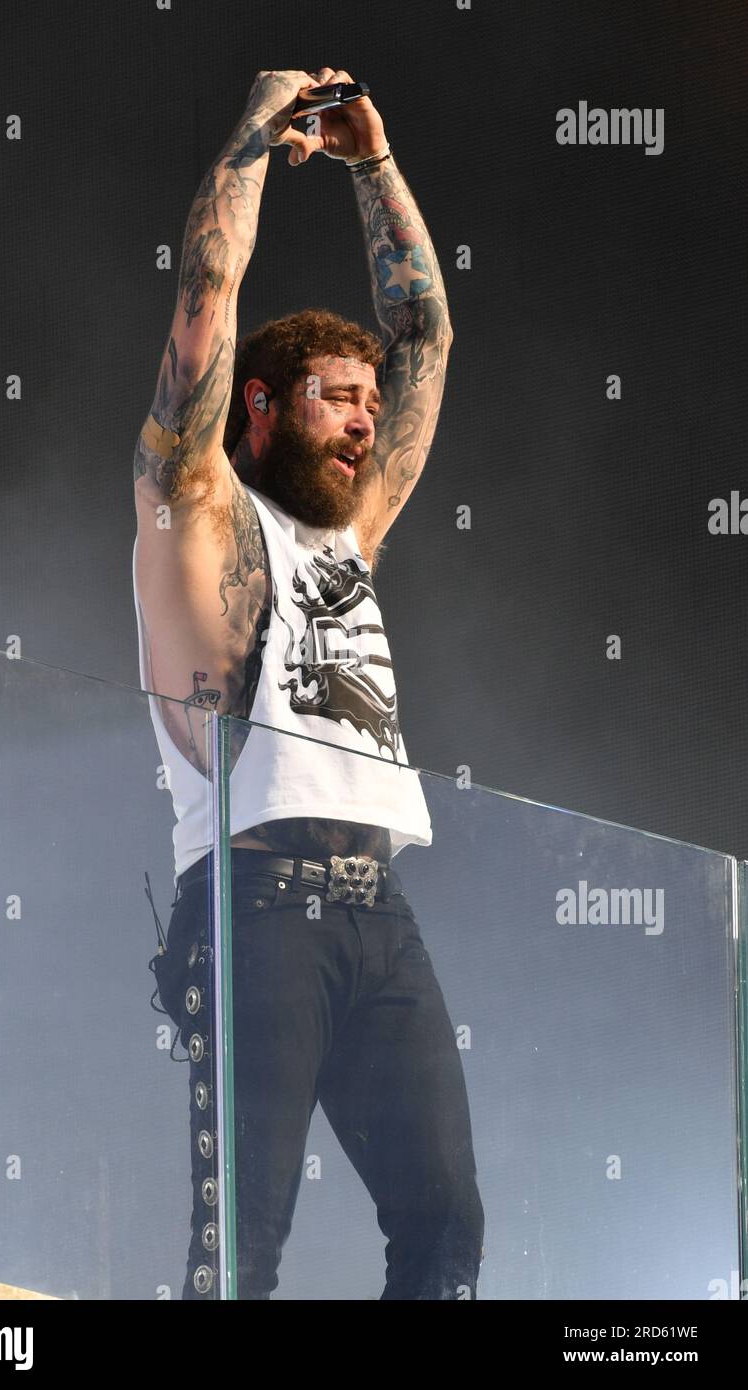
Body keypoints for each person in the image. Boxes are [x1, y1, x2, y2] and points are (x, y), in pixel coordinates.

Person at [132, 67, 484, 1300]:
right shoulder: (199, 508)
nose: (364, 421)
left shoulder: (350, 536)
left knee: (444, 1222)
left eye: (367, 405)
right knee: (241, 1248)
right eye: (340, 399)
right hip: (252, 900)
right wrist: (247, 138)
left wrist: (369, 163)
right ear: (263, 406)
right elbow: (207, 294)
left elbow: (427, 337)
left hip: (376, 910)